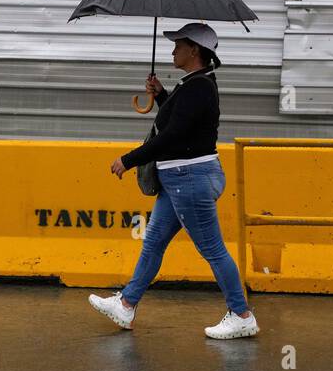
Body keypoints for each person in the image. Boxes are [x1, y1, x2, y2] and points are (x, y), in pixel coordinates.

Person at [88, 22, 259, 339]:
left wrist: (129, 159)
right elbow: (182, 123)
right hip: (180, 179)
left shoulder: (199, 87)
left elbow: (173, 136)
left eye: (178, 45)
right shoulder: (194, 84)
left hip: (189, 178)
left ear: (194, 50)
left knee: (213, 250)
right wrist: (163, 95)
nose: (173, 50)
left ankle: (241, 314)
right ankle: (126, 304)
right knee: (153, 243)